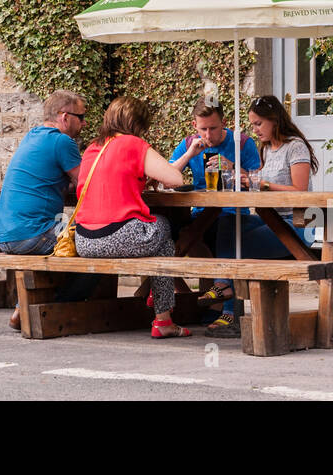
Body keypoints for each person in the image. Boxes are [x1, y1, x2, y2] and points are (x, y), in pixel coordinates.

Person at [195, 95, 320, 338]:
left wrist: (260, 183)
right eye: (252, 124)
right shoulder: (268, 148)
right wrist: (239, 173)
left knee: (238, 246)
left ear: (275, 121)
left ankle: (230, 312)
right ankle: (223, 285)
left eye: (259, 123)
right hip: (270, 220)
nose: (254, 129)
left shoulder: (295, 146)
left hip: (296, 225)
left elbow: (300, 190)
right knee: (227, 221)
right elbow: (261, 179)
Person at [74, 96, 193, 338]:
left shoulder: (93, 148)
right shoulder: (133, 143)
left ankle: (164, 320)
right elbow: (175, 179)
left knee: (164, 246)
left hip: (85, 240)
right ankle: (161, 315)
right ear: (138, 124)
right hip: (118, 236)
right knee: (165, 225)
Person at [0, 90, 91, 330]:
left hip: (7, 233)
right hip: (33, 233)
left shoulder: (32, 136)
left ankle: (22, 307)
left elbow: (55, 179)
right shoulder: (62, 141)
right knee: (96, 245)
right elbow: (87, 184)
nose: (84, 123)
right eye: (81, 117)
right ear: (64, 116)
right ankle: (48, 308)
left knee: (72, 242)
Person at [168, 98, 262, 335]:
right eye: (203, 129)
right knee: (175, 233)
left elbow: (260, 179)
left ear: (224, 124)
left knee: (225, 230)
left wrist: (233, 167)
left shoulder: (242, 143)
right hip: (200, 214)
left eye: (213, 128)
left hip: (234, 214)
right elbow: (167, 176)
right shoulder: (190, 143)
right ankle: (202, 303)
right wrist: (189, 154)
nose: (208, 134)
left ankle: (228, 310)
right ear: (194, 126)